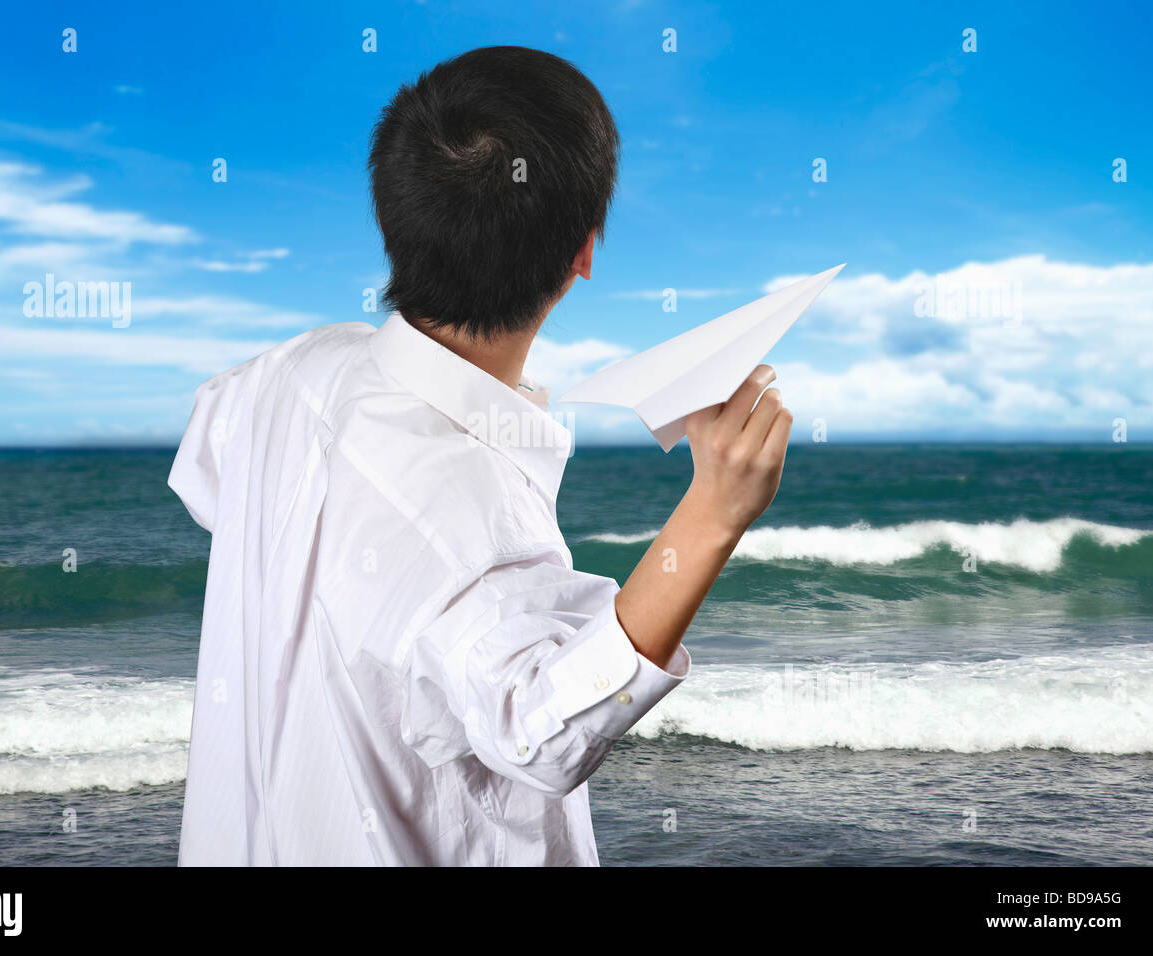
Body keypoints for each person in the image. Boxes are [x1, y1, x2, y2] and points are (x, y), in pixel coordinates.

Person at [168, 45, 791, 866]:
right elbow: (540, 731)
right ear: (584, 255)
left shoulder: (287, 372)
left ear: (393, 216)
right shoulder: (470, 511)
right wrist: (713, 510)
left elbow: (208, 453)